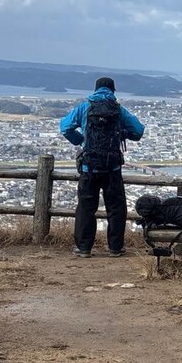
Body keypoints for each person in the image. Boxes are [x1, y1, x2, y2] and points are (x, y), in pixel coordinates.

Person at [60, 77, 144, 257]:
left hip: (88, 167)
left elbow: (65, 127)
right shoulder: (119, 110)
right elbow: (138, 130)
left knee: (85, 207)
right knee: (115, 207)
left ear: (95, 89)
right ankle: (115, 247)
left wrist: (81, 140)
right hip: (112, 168)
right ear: (113, 90)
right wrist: (124, 134)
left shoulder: (84, 107)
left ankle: (84, 248)